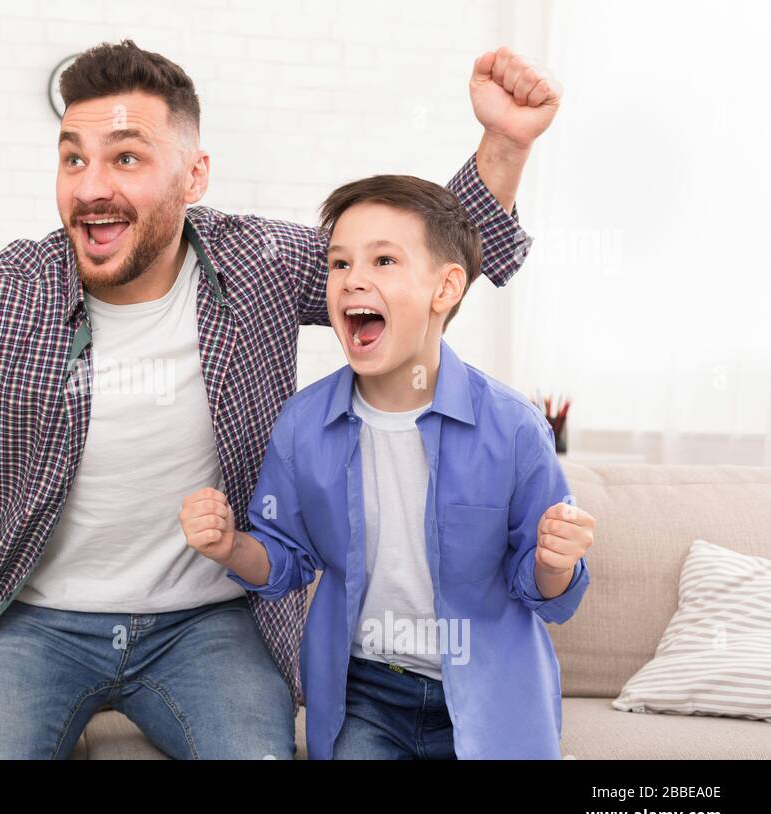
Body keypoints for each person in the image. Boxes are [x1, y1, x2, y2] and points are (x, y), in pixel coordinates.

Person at [0, 40, 561, 759]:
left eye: (126, 158)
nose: (91, 187)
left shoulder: (259, 263)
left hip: (209, 625)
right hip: (33, 627)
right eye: (73, 158)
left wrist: (503, 145)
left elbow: (410, 258)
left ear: (193, 177)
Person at [178, 174, 594, 759]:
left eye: (383, 260)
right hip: (366, 694)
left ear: (445, 288)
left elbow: (547, 592)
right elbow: (284, 560)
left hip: (489, 692)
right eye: (339, 263)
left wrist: (555, 559)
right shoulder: (303, 423)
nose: (354, 280)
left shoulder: (515, 426)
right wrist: (227, 545)